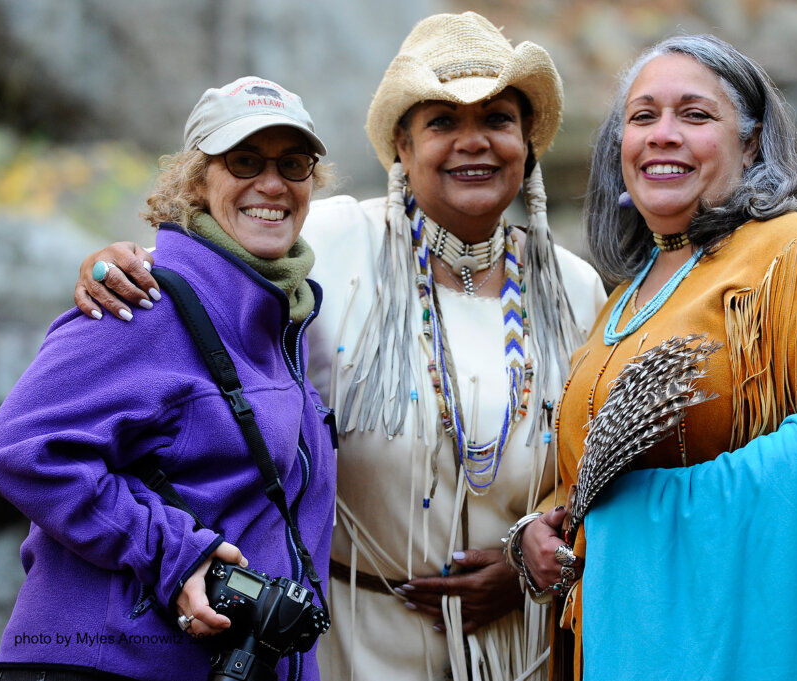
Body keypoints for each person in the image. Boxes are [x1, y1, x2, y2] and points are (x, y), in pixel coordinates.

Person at [71, 12, 607, 681]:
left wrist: (529, 552)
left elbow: (587, 465)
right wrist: (112, 262)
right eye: (442, 122)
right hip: (352, 633)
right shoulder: (329, 243)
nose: (474, 142)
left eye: (497, 120)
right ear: (401, 149)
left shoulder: (573, 289)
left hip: (517, 640)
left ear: (527, 143)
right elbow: (198, 278)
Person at [517, 34, 797, 681]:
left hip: (760, 640)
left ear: (751, 142)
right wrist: (544, 525)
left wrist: (638, 526)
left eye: (694, 115)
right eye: (643, 117)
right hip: (622, 639)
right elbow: (599, 474)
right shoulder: (622, 299)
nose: (663, 133)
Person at [0, 76, 337, 681]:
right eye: (244, 160)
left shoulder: (281, 322)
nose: (272, 183)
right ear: (195, 181)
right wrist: (180, 556)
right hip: (107, 663)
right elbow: (19, 449)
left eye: (293, 163)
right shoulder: (139, 299)